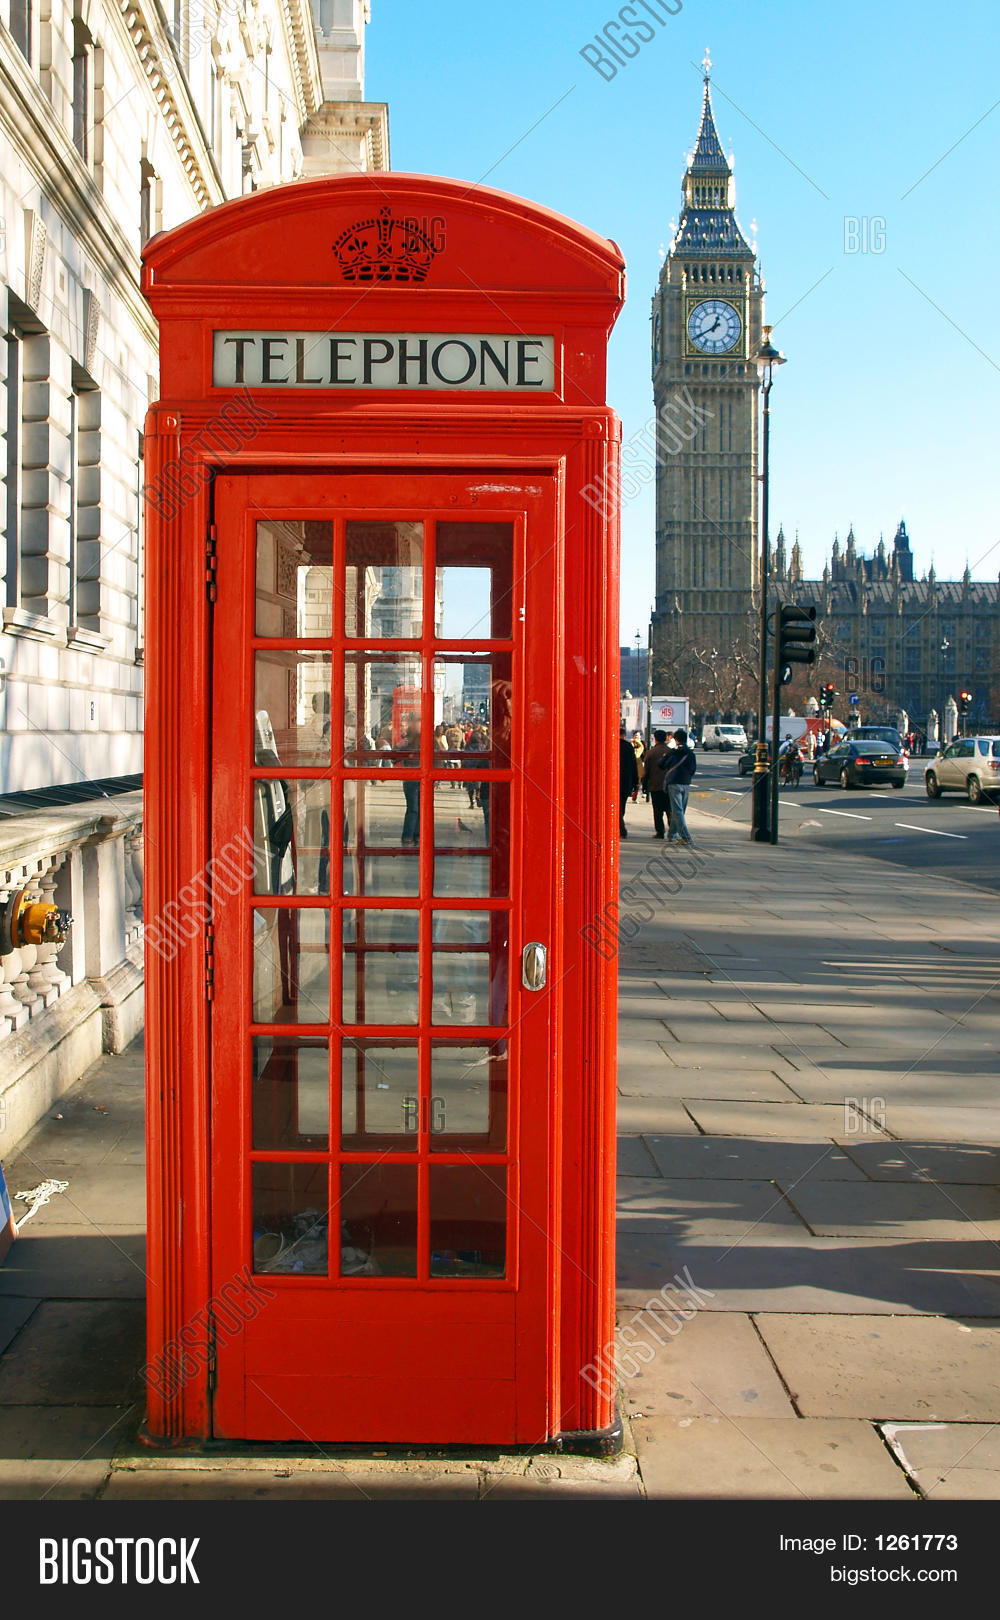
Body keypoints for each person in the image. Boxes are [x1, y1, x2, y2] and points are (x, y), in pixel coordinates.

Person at [661, 726, 697, 846]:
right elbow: (693, 769)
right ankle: (671, 835)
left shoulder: (673, 753)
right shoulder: (691, 754)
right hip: (686, 783)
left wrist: (665, 756)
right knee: (680, 811)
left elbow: (662, 765)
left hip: (674, 782)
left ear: (676, 740)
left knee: (677, 811)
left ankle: (686, 837)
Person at [641, 729, 673, 839]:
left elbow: (646, 770)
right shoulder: (670, 752)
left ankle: (660, 831)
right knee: (669, 809)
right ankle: (672, 831)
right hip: (668, 785)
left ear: (655, 739)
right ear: (666, 738)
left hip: (655, 785)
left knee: (657, 810)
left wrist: (644, 785)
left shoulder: (650, 753)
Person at [619, 724, 639, 837]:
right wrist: (636, 782)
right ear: (624, 735)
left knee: (616, 806)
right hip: (626, 781)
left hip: (613, 782)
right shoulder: (628, 747)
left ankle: (620, 826)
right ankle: (621, 826)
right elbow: (633, 765)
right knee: (622, 805)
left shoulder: (609, 744)